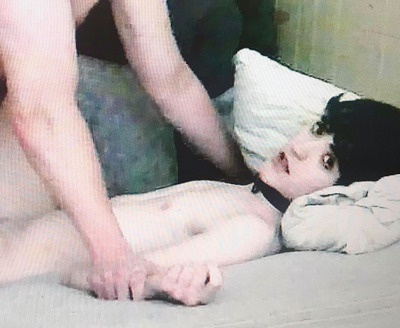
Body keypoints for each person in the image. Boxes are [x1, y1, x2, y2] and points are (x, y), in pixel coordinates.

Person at [0, 0, 250, 301]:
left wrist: (243, 171)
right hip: (30, 110)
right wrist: (115, 256)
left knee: (43, 242)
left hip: (17, 107)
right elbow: (40, 111)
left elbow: (171, 82)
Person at [1, 94, 399, 306]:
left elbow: (109, 273)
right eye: (317, 129)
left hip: (20, 266)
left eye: (327, 161)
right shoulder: (241, 192)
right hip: (21, 231)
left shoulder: (254, 229)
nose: (300, 147)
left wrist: (161, 285)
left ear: (340, 192)